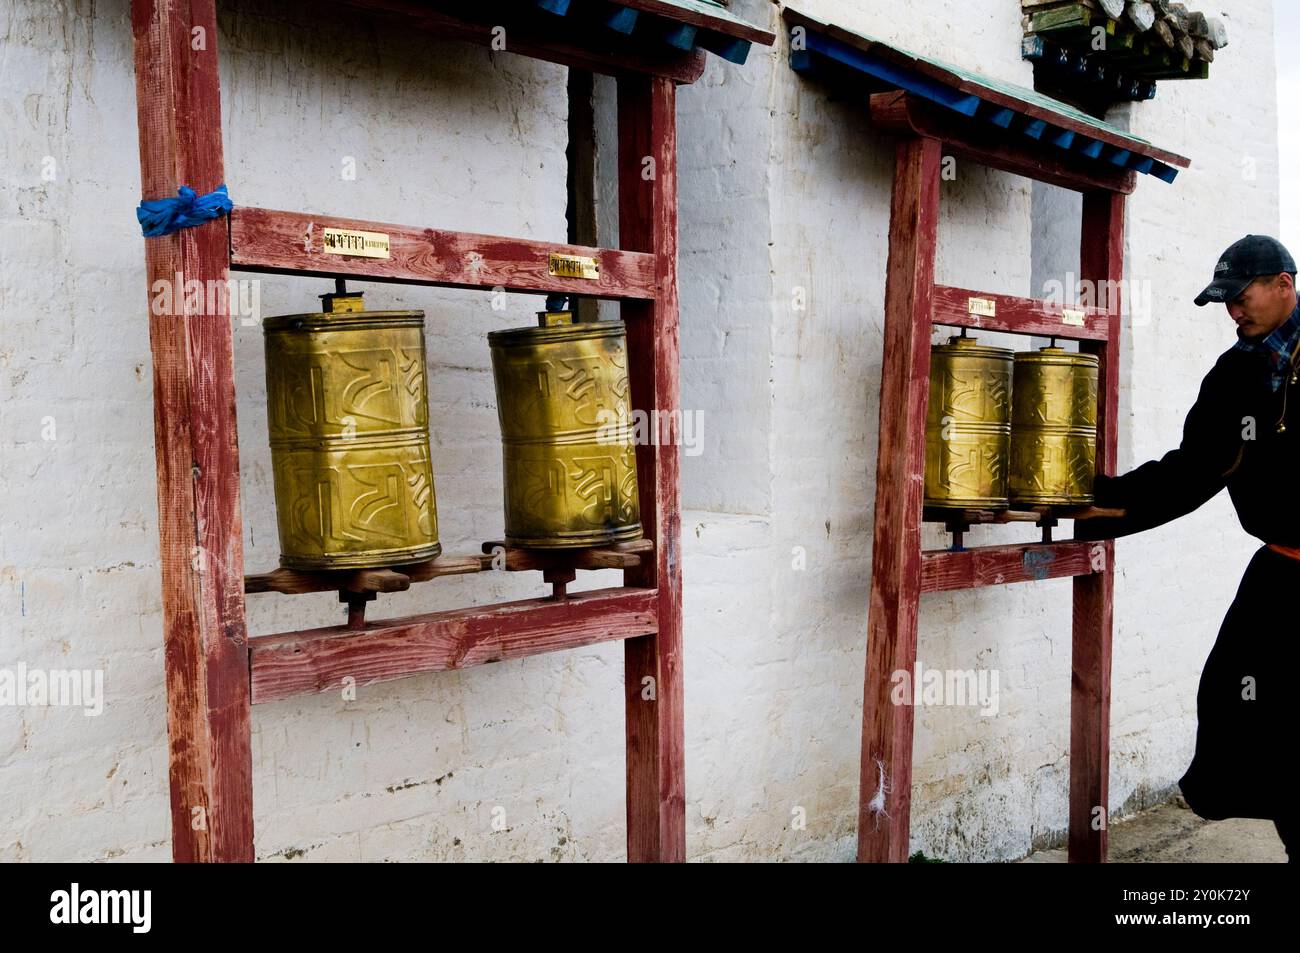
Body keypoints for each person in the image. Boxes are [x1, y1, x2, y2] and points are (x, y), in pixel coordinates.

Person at [1079, 235, 1299, 862]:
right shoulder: (1236, 375)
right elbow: (1194, 470)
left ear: (1284, 284)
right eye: (1225, 301)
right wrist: (1101, 502)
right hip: (1284, 572)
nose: (1234, 311)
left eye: (1242, 296)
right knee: (1238, 704)